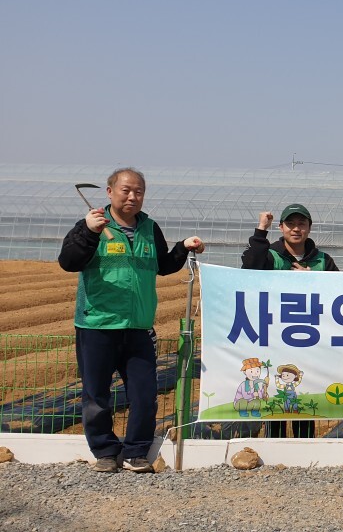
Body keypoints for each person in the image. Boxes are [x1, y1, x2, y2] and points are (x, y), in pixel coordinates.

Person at [58, 167, 204, 473]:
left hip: (138, 326)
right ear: (110, 192)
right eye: (126, 190)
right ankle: (105, 451)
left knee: (144, 393)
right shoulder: (93, 224)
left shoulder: (149, 228)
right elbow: (69, 262)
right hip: (97, 324)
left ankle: (136, 451)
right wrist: (88, 232)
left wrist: (182, 248)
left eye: (138, 191)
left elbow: (162, 266)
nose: (133, 196)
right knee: (96, 395)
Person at [241, 203, 337, 438]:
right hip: (275, 337)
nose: (296, 229)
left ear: (309, 228)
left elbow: (338, 294)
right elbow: (249, 269)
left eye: (301, 224)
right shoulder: (270, 255)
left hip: (310, 340)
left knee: (303, 394)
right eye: (290, 224)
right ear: (281, 227)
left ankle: (305, 444)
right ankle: (275, 443)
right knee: (277, 393)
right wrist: (261, 230)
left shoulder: (322, 261)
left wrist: (313, 281)